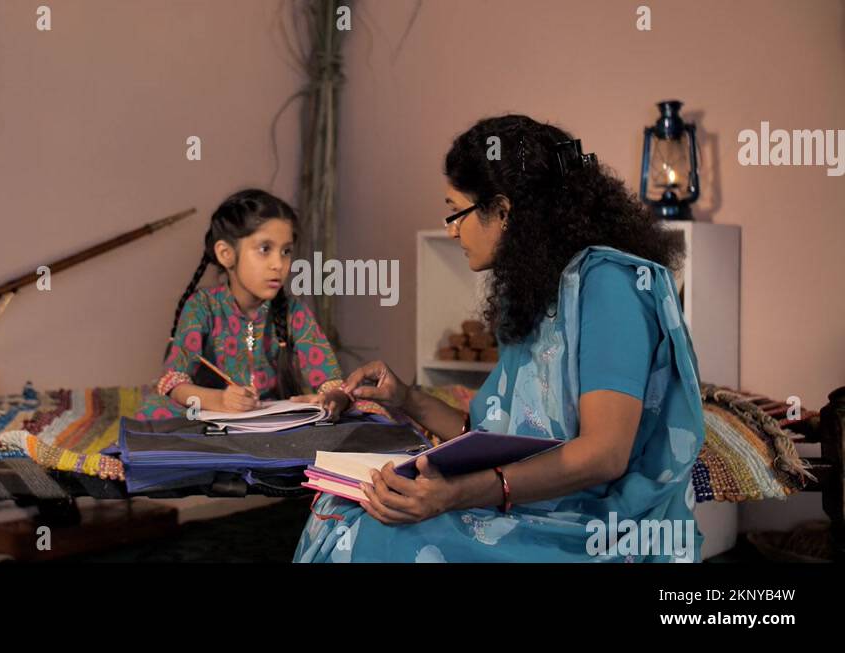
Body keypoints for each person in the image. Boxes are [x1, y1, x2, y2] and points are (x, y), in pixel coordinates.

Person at [293, 115, 704, 562]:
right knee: (344, 508)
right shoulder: (538, 289)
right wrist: (407, 397)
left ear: (503, 211)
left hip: (599, 525)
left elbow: (604, 455)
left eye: (456, 210)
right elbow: (497, 436)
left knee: (379, 535)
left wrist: (455, 495)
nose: (451, 229)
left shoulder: (610, 288)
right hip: (537, 503)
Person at [135, 189, 352, 421]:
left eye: (286, 251)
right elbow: (174, 381)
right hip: (211, 417)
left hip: (272, 420)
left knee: (360, 405)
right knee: (155, 408)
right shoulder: (201, 307)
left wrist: (331, 399)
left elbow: (332, 381)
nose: (278, 264)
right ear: (226, 254)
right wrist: (220, 400)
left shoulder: (293, 311)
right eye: (264, 249)